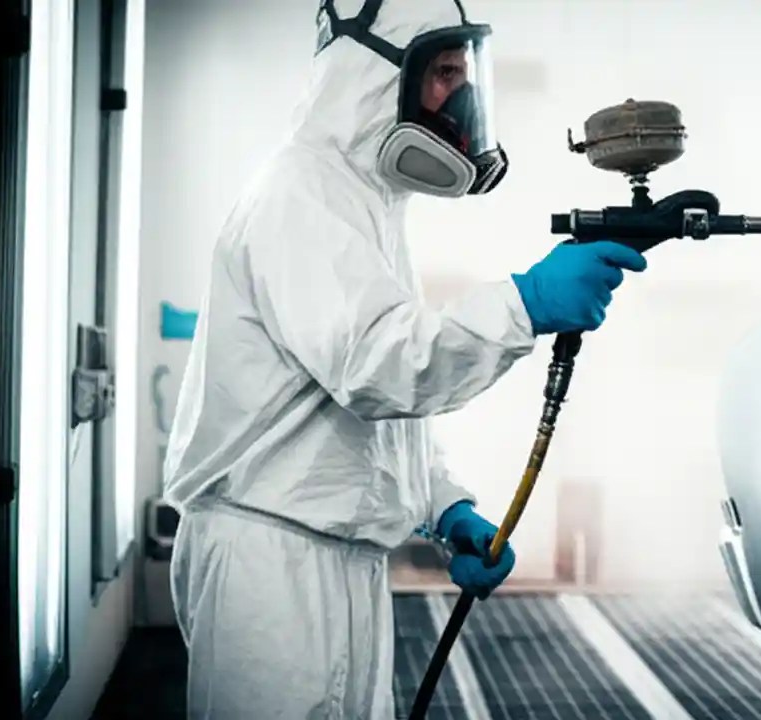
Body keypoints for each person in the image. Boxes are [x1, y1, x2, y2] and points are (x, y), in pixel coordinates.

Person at [161, 0, 646, 717]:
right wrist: (524, 304)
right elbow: (379, 365)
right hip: (273, 570)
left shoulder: (366, 200)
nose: (465, 93)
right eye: (445, 70)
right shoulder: (301, 192)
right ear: (376, 71)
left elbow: (361, 413)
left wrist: (444, 505)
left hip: (334, 558)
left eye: (464, 69)